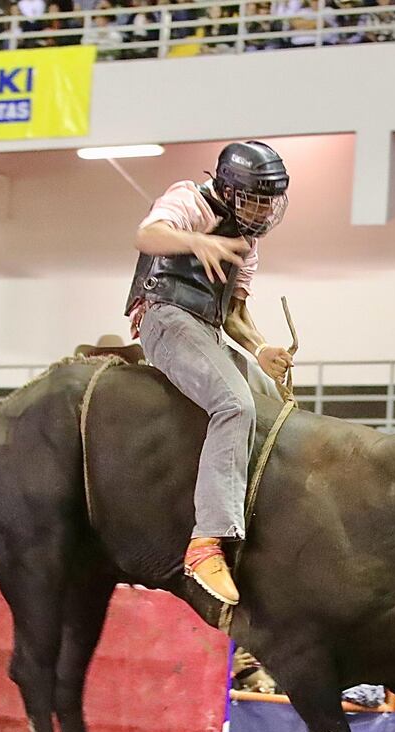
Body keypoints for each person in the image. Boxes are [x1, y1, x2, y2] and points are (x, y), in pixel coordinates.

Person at [125, 140, 294, 606]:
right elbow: (148, 234)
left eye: (269, 200)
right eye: (256, 198)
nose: (263, 210)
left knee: (267, 403)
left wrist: (261, 349)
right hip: (167, 317)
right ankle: (206, 542)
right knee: (232, 403)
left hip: (209, 328)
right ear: (229, 189)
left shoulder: (247, 242)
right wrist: (196, 241)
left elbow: (235, 314)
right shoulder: (190, 200)